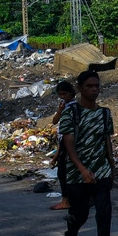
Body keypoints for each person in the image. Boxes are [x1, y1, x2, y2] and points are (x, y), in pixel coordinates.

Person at [57, 70, 118, 236]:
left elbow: (107, 140)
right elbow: (69, 143)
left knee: (104, 216)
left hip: (101, 172)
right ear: (80, 88)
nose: (94, 90)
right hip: (76, 174)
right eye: (89, 86)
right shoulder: (71, 113)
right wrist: (82, 169)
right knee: (79, 215)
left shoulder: (104, 113)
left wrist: (111, 165)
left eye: (97, 86)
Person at [48, 80, 76, 210]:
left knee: (63, 172)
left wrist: (56, 156)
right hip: (63, 141)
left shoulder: (74, 107)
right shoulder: (64, 106)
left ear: (71, 93)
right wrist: (60, 110)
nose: (62, 97)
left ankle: (67, 201)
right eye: (60, 94)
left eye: (64, 94)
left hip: (69, 141)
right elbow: (54, 121)